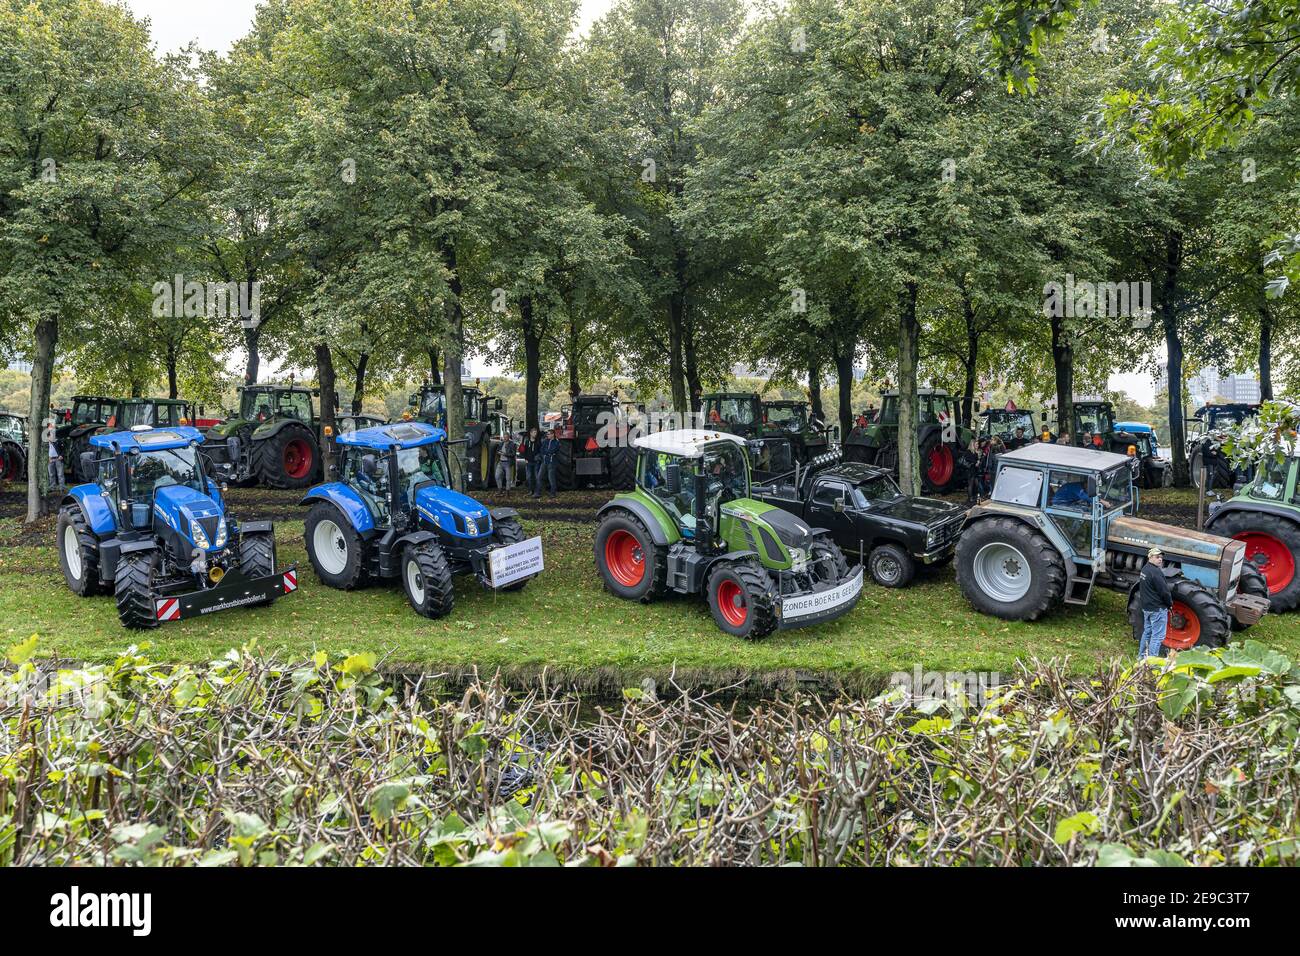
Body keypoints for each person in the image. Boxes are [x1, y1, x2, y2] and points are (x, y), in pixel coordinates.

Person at [1138, 548, 1173, 658]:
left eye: (1161, 557)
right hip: (1157, 609)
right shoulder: (1156, 572)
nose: (1160, 559)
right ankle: (1152, 663)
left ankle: (1141, 657)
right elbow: (1164, 592)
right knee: (1157, 636)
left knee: (1147, 632)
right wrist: (1170, 604)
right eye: (1157, 557)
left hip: (1146, 608)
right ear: (1150, 557)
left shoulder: (1145, 569)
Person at [538, 427, 561, 498]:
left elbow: (553, 450)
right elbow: (541, 450)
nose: (547, 435)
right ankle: (537, 492)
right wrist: (547, 453)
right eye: (547, 434)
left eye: (549, 434)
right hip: (544, 461)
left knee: (551, 478)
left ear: (553, 434)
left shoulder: (557, 442)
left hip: (552, 462)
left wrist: (547, 452)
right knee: (539, 477)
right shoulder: (545, 441)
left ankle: (553, 493)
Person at [521, 426, 542, 498]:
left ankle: (537, 492)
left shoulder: (538, 442)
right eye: (534, 432)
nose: (535, 434)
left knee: (537, 477)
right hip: (528, 462)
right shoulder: (527, 442)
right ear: (530, 433)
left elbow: (541, 451)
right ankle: (531, 491)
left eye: (536, 433)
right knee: (529, 477)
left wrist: (538, 457)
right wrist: (525, 458)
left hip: (536, 462)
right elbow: (524, 451)